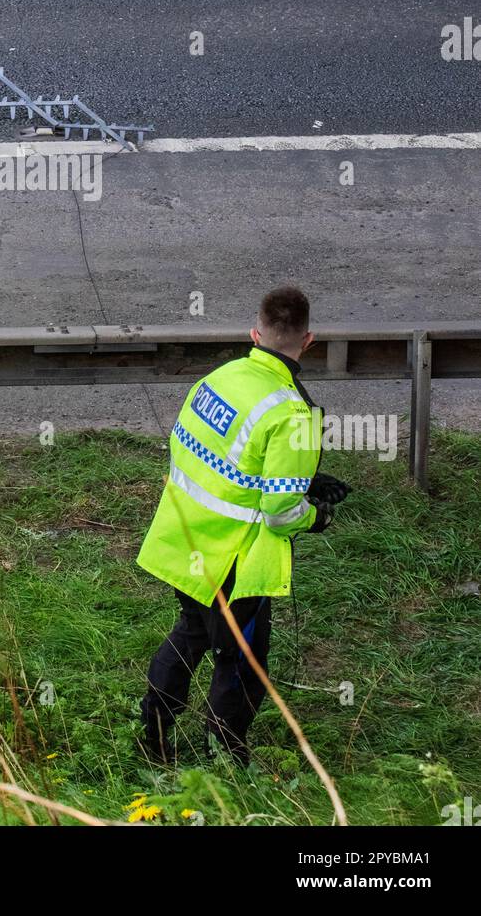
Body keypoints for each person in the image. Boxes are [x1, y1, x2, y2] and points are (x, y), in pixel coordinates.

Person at [137, 285, 349, 765]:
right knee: (241, 662)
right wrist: (315, 514)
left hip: (188, 538)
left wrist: (304, 478)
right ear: (309, 341)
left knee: (190, 635)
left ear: (254, 333)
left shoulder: (221, 378)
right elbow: (279, 513)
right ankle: (227, 756)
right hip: (236, 561)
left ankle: (152, 739)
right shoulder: (294, 413)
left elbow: (213, 453)